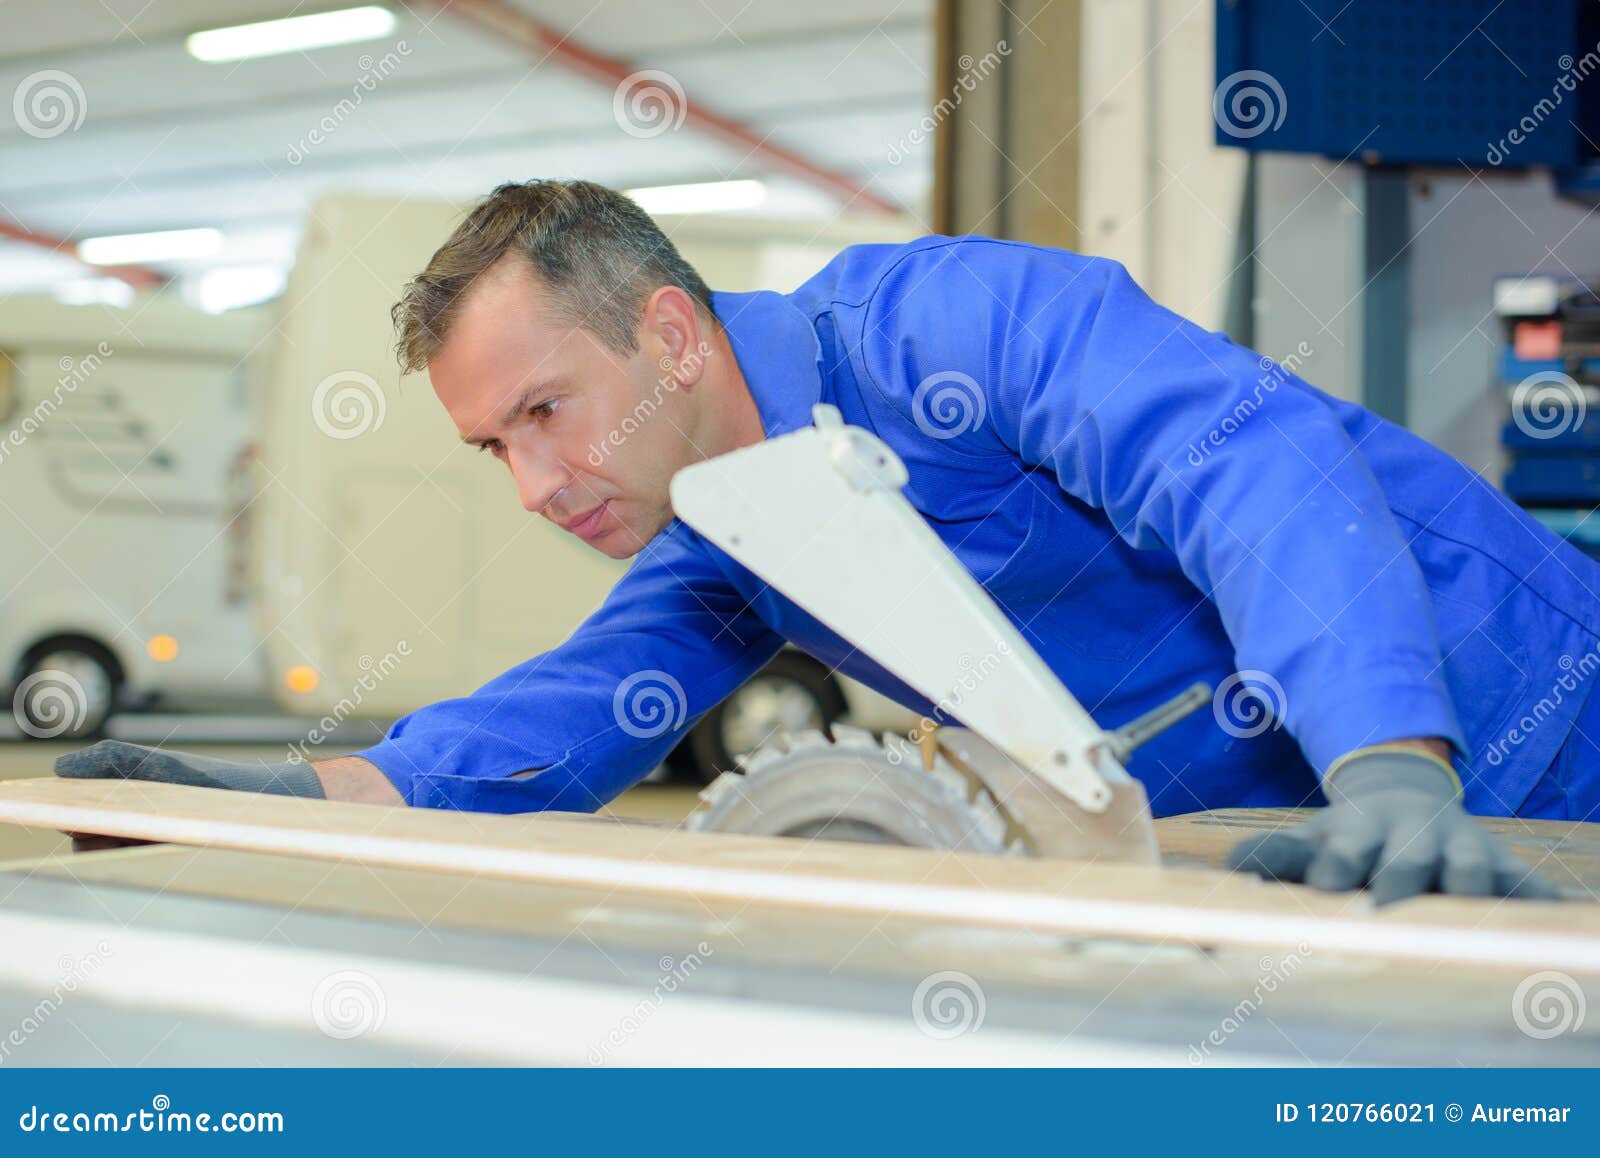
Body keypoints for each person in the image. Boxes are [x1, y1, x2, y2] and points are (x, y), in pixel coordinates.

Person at [59, 180, 1598, 903]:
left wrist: (1391, 759)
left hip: (1530, 725)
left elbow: (1249, 466)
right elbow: (571, 714)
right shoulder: (735, 530)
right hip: (1312, 837)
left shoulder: (955, 323)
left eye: (545, 410)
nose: (533, 483)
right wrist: (299, 800)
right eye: (494, 446)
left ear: (670, 335)